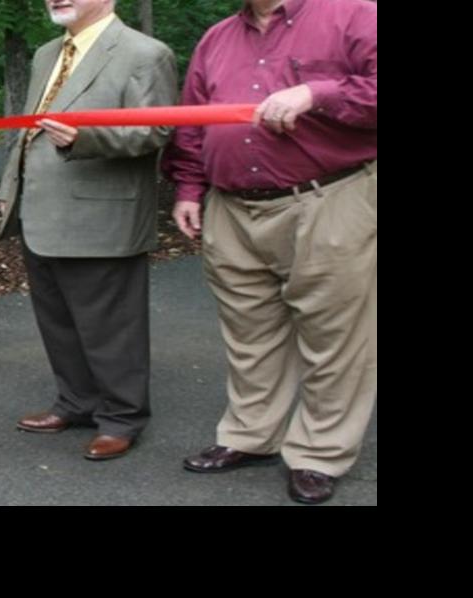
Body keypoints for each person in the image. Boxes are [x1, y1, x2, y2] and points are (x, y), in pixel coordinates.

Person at [163, 0, 377, 504]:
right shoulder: (217, 37)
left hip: (327, 199)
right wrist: (189, 190)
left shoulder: (355, 14)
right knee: (249, 333)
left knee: (335, 336)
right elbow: (193, 119)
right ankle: (251, 436)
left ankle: (318, 454)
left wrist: (318, 92)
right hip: (231, 207)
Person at [0, 0, 177, 462]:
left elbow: (155, 131)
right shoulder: (45, 54)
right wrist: (9, 189)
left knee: (110, 327)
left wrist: (86, 138)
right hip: (40, 211)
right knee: (58, 321)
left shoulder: (144, 53)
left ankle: (122, 418)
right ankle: (76, 402)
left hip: (103, 216)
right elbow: (29, 130)